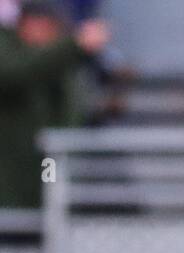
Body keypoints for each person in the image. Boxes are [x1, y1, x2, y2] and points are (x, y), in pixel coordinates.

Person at [0, 2, 109, 209]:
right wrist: (74, 46)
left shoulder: (61, 69)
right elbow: (16, 72)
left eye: (50, 26)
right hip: (12, 195)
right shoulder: (18, 55)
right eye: (38, 25)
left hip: (48, 184)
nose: (45, 33)